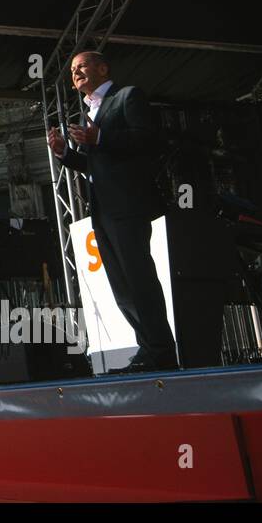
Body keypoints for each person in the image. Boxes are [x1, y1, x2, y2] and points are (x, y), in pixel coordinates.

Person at [47, 50, 177, 374]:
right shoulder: (89, 112)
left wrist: (100, 136)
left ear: (103, 67)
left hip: (128, 205)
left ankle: (161, 351)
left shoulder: (127, 98)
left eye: (81, 66)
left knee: (139, 279)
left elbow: (147, 141)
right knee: (121, 287)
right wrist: (65, 154)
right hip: (102, 210)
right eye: (72, 70)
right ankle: (148, 350)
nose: (75, 73)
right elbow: (93, 164)